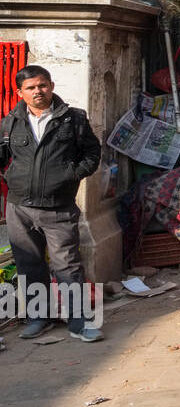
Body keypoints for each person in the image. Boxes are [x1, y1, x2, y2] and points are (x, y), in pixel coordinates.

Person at [0, 65, 104, 342]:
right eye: (31, 88)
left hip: (58, 206)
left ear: (52, 85)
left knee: (67, 264)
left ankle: (79, 322)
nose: (38, 92)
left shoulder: (73, 119)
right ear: (20, 92)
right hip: (19, 207)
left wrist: (73, 174)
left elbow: (92, 153)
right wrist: (12, 178)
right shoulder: (11, 122)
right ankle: (39, 318)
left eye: (42, 85)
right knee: (28, 264)